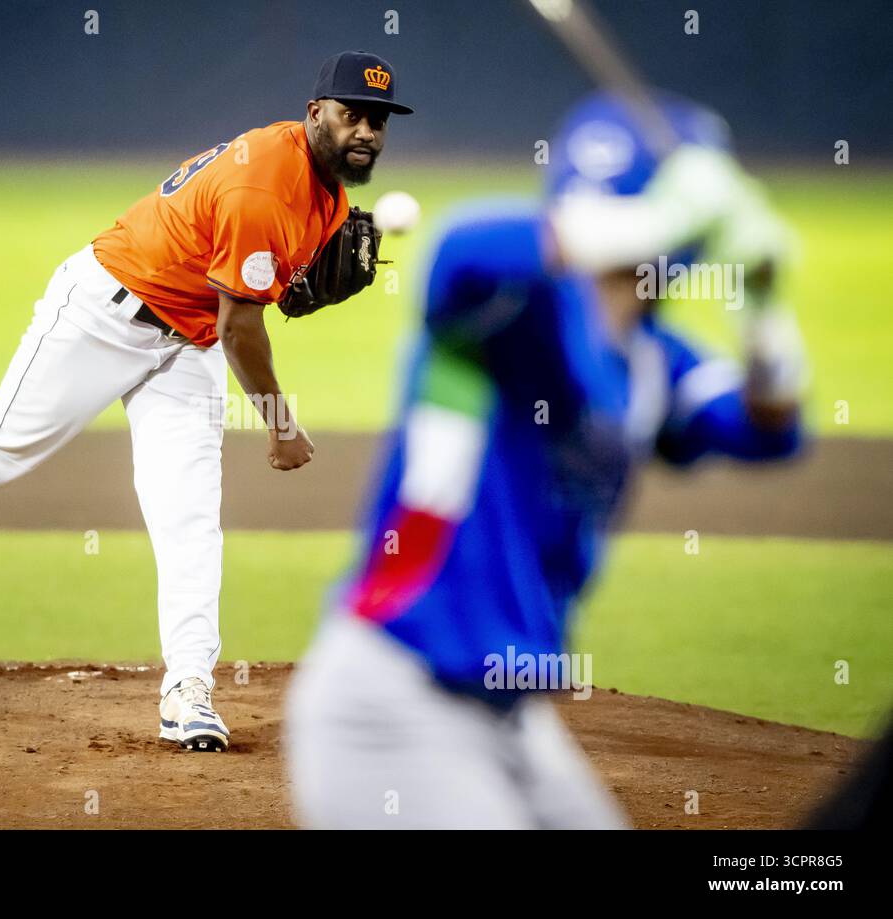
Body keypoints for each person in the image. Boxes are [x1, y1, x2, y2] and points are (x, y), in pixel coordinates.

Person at [0, 50, 412, 752]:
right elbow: (241, 326)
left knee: (189, 514)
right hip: (103, 313)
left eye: (378, 120)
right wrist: (281, 424)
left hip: (183, 343)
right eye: (353, 115)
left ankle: (188, 691)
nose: (367, 132)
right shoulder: (268, 187)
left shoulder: (329, 197)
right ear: (317, 113)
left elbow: (244, 298)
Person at [285, 91, 807, 824]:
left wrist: (763, 313)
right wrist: (658, 220)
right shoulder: (515, 313)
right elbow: (460, 255)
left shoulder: (654, 361)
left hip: (512, 716)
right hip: (395, 705)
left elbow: (770, 431)